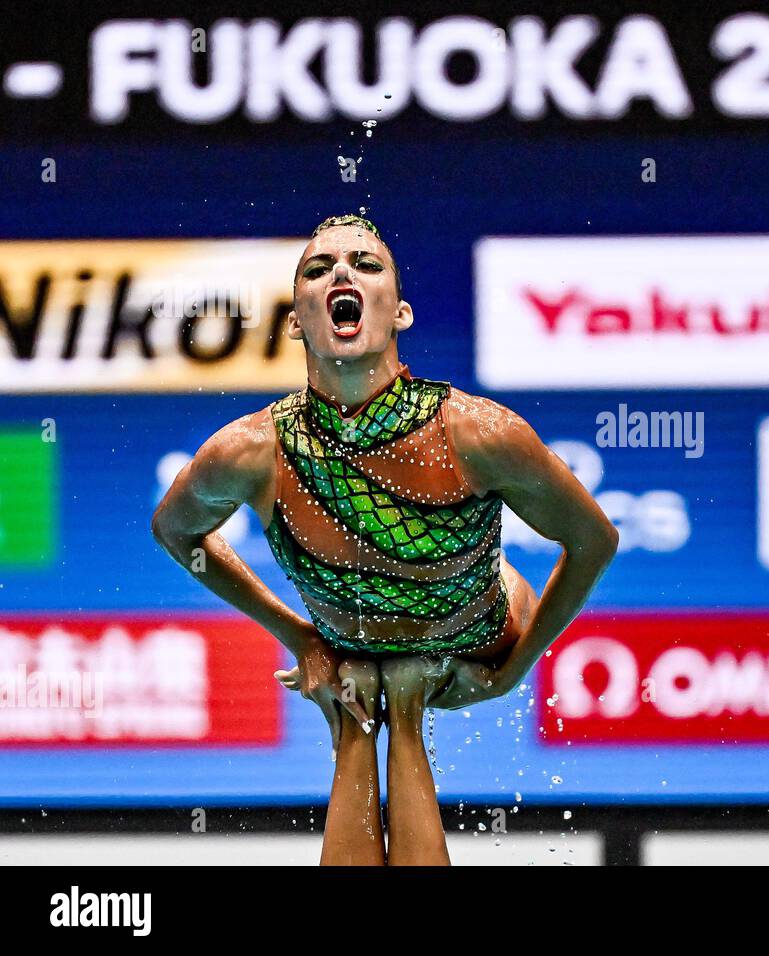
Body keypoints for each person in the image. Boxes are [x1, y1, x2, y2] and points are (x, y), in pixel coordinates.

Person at [152, 215, 618, 865]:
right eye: (318, 270)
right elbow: (176, 531)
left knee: (375, 697)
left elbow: (592, 540)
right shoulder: (251, 452)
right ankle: (374, 709)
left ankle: (378, 711)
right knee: (366, 690)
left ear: (399, 313)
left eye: (365, 264)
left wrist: (517, 671)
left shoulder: (478, 434)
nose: (341, 272)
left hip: (475, 635)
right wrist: (296, 633)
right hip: (346, 637)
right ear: (295, 321)